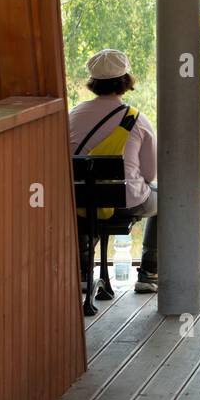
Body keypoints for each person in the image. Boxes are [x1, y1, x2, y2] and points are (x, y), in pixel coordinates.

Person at [67, 48, 159, 294]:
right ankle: (150, 271)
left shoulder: (72, 116)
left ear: (92, 83)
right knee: (168, 198)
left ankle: (83, 270)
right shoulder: (136, 119)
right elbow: (150, 174)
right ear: (126, 81)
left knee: (86, 198)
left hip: (81, 202)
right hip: (125, 202)